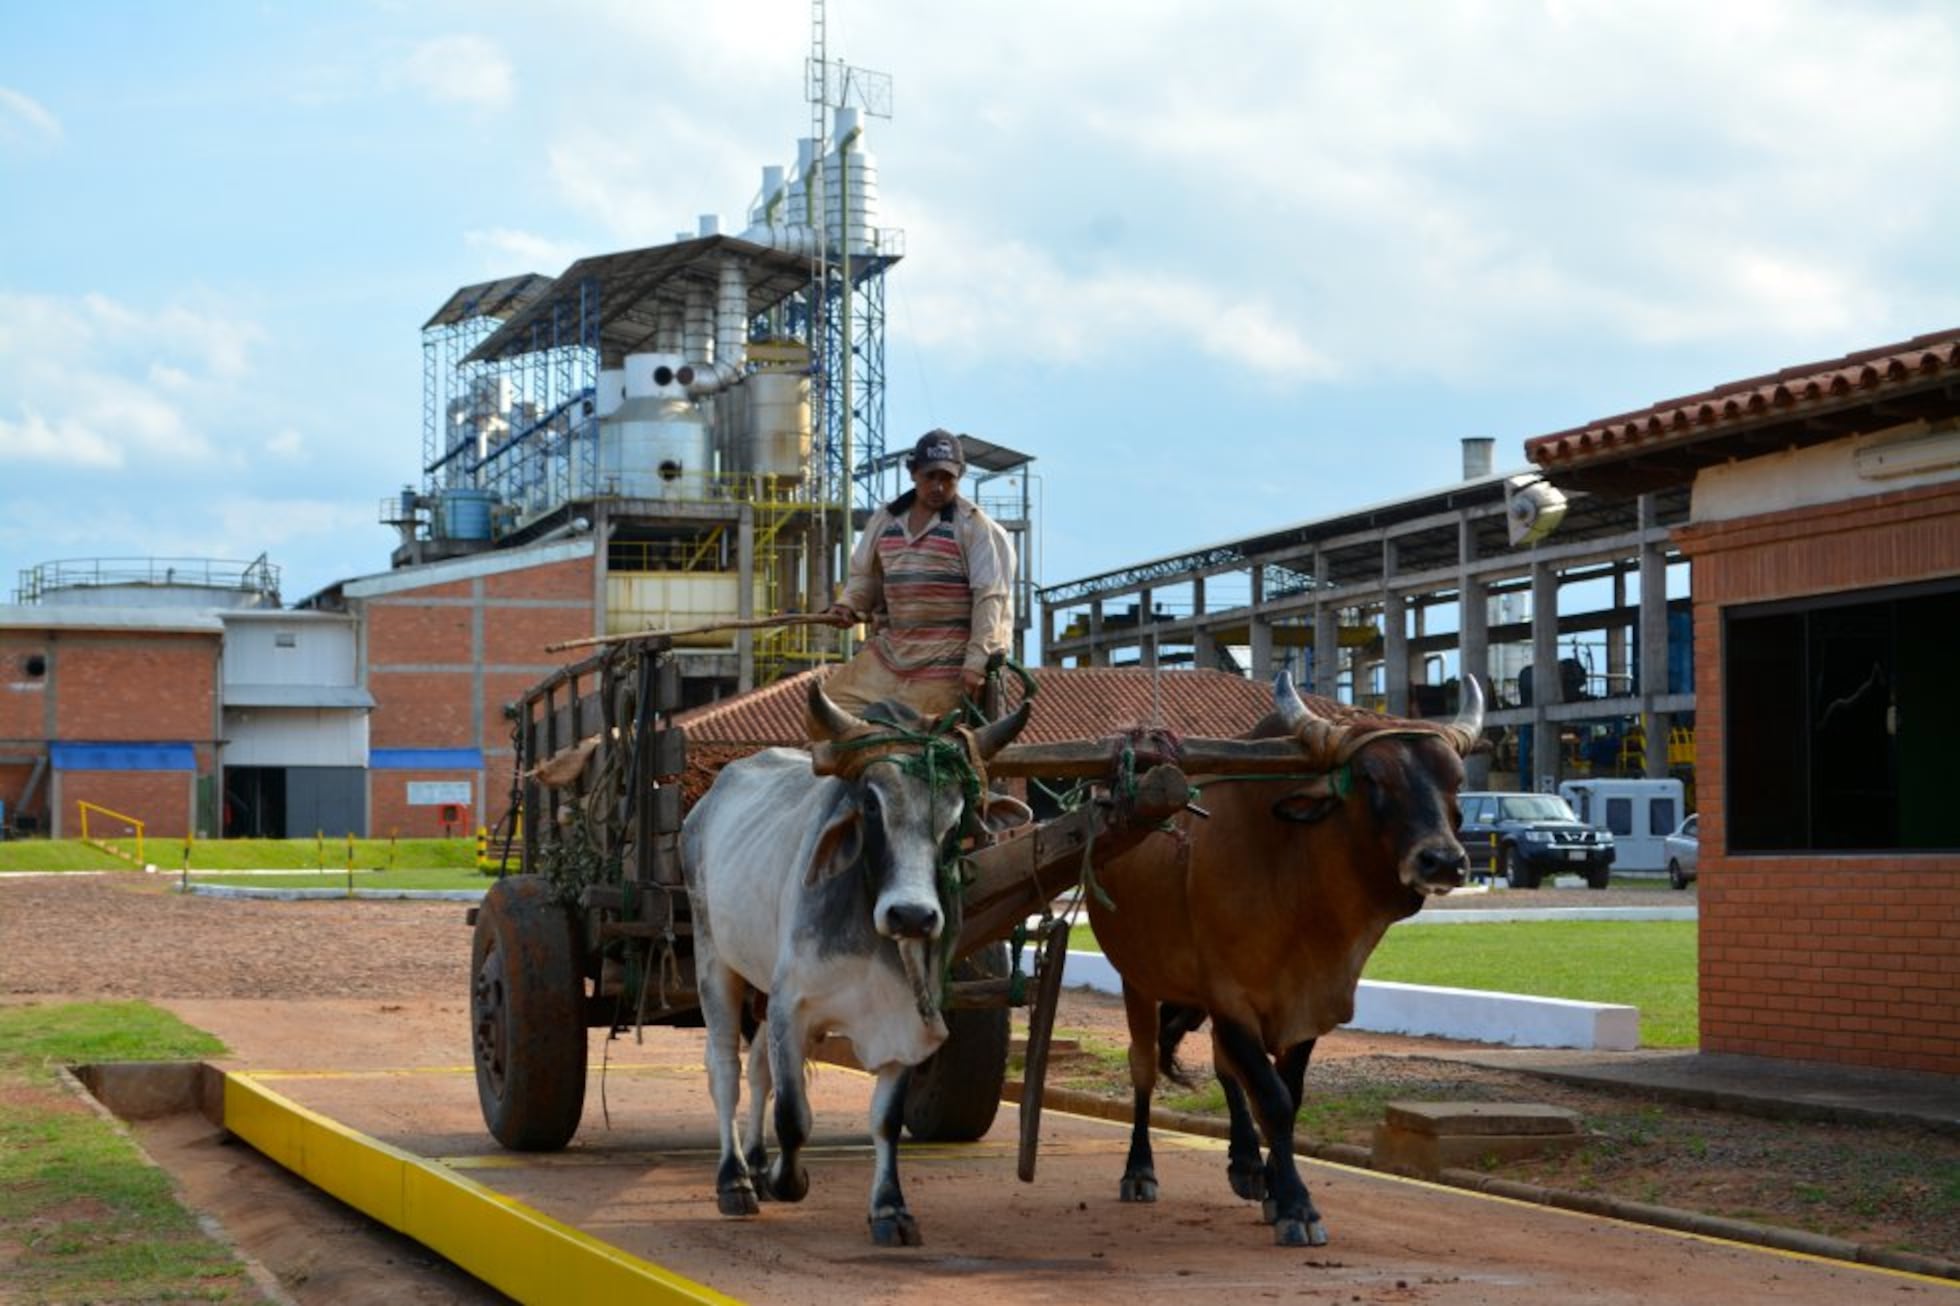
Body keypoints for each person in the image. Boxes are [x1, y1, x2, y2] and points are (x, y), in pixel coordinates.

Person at [819, 429, 1015, 719]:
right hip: (891, 654)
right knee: (826, 711)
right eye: (930, 477)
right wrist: (849, 604)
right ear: (913, 473)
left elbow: (990, 599)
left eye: (947, 478)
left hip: (947, 662)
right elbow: (865, 577)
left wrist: (975, 664)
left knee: (910, 728)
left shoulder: (975, 526)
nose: (938, 486)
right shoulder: (886, 519)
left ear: (959, 476)